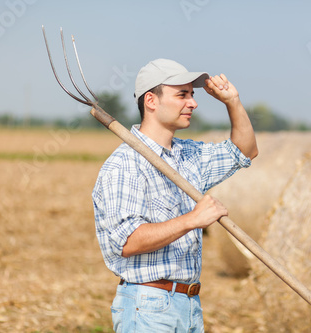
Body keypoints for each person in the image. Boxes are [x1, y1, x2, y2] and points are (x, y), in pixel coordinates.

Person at [92, 58, 258, 332]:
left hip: (189, 305)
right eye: (182, 94)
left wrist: (233, 102)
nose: (192, 102)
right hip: (148, 307)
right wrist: (192, 219)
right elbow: (127, 241)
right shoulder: (126, 164)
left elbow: (244, 150)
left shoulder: (188, 156)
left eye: (192, 95)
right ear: (151, 101)